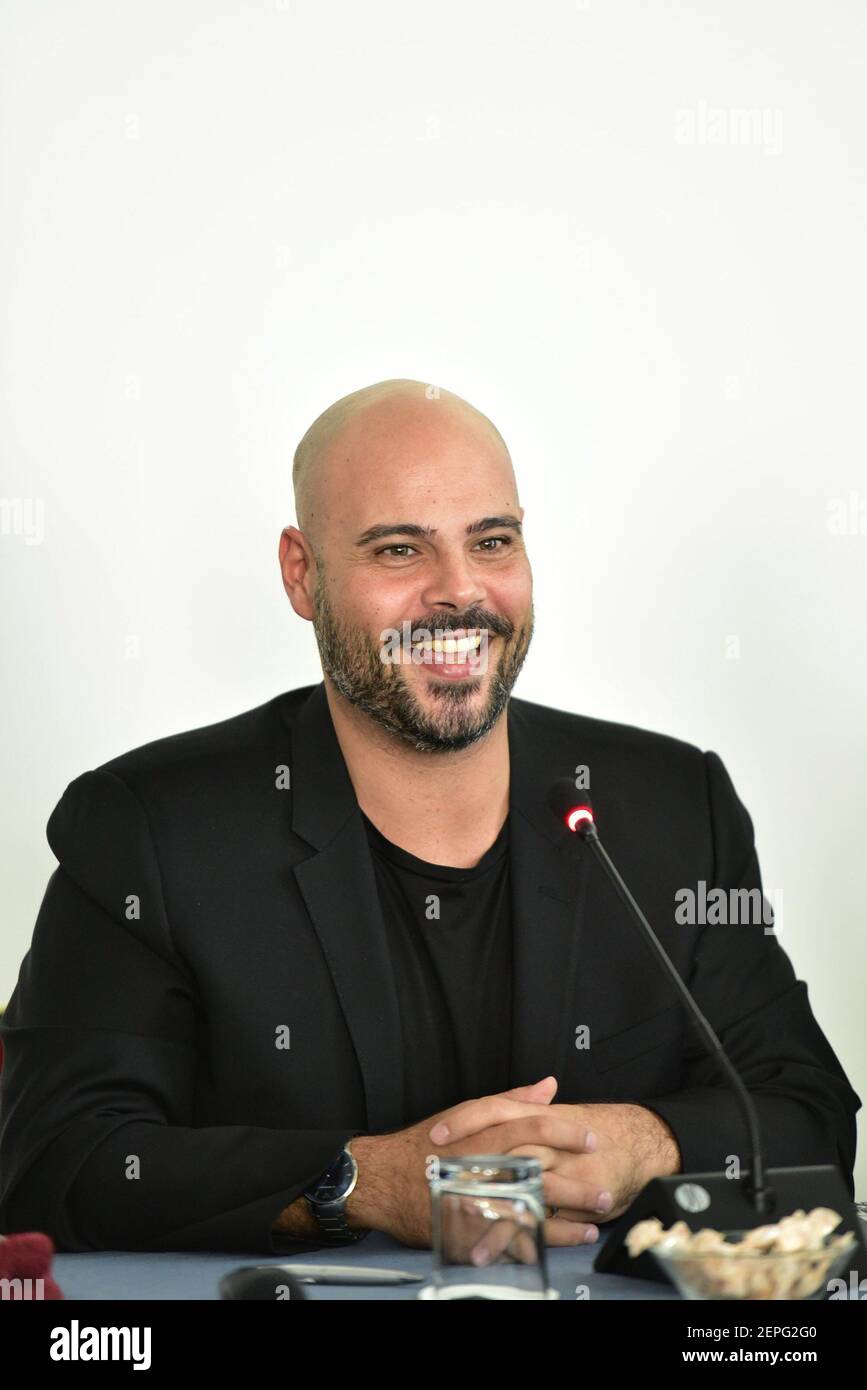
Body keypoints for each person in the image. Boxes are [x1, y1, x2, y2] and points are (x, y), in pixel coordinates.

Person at [0, 379, 859, 1254]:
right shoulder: (148, 828)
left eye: (492, 541)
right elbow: (54, 1158)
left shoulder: (676, 806)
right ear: (303, 574)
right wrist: (360, 1183)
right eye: (399, 551)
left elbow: (808, 1113)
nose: (460, 592)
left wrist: (649, 1143)